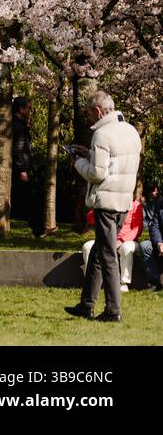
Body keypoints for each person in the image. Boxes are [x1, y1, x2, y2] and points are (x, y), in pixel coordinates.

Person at [65, 91, 142, 323]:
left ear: (98, 111)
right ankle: (86, 304)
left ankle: (113, 310)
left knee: (107, 254)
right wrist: (89, 153)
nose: (90, 118)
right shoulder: (130, 130)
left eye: (90, 113)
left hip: (106, 202)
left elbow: (97, 174)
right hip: (123, 200)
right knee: (99, 251)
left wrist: (77, 161)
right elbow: (116, 162)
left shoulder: (101, 133)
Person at [79, 199, 141, 295]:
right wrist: (98, 205)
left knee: (126, 248)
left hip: (127, 241)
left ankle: (123, 283)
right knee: (87, 246)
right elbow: (90, 219)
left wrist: (121, 240)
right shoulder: (108, 201)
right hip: (106, 239)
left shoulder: (135, 204)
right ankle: (92, 282)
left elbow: (137, 228)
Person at [10, 96, 41, 237]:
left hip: (20, 167)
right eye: (29, 108)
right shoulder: (18, 125)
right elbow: (18, 148)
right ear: (21, 109)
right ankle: (38, 229)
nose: (30, 111)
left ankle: (37, 228)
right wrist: (22, 169)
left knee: (26, 198)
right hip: (19, 168)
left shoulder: (17, 123)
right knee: (29, 199)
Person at [140, 180, 162, 291]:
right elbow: (154, 226)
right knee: (145, 245)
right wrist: (159, 242)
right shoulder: (159, 206)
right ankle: (155, 282)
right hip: (160, 242)